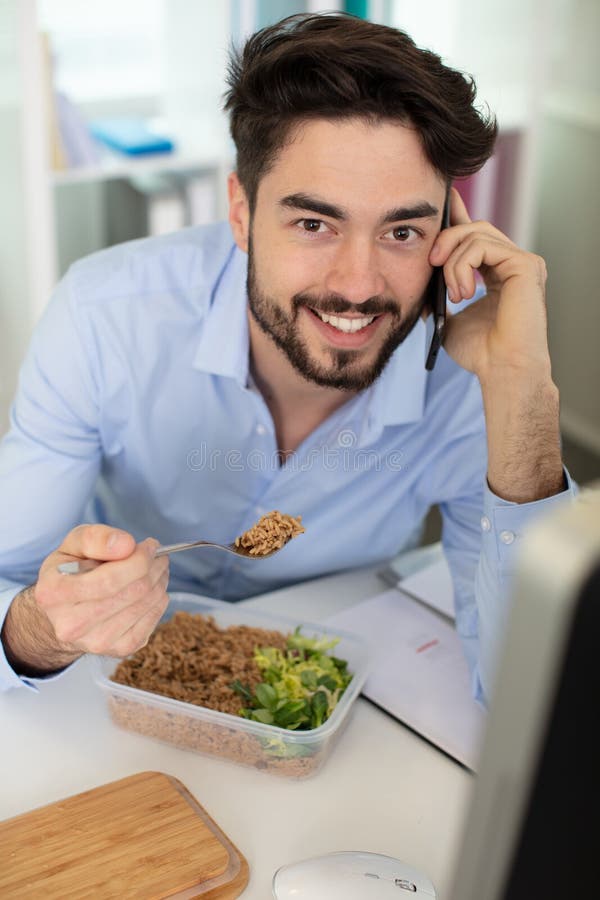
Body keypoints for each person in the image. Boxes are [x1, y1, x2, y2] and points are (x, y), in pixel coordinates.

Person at [0, 13, 574, 701]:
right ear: (241, 212)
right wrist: (40, 629)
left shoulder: (468, 368)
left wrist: (523, 394)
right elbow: (12, 583)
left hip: (324, 692)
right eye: (313, 223)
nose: (358, 285)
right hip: (99, 691)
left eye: (401, 230)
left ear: (448, 232)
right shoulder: (105, 315)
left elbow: (532, 695)